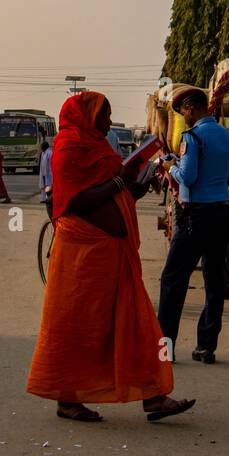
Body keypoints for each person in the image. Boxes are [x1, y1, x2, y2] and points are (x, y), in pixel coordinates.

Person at [27, 91, 194, 423]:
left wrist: (135, 184)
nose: (107, 122)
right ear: (86, 117)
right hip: (83, 252)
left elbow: (111, 188)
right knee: (79, 326)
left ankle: (154, 395)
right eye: (103, 116)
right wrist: (119, 181)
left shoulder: (100, 146)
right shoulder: (67, 148)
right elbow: (74, 200)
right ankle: (67, 398)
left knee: (138, 323)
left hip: (113, 251)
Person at [158, 87, 229, 365]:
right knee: (214, 279)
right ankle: (207, 346)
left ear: (191, 109)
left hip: (194, 216)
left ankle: (164, 348)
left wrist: (171, 167)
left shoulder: (191, 138)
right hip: (221, 213)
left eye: (183, 113)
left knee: (173, 280)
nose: (183, 118)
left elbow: (189, 178)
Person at [39, 137, 53, 218]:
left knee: (48, 185)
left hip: (48, 172)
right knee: (43, 186)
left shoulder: (50, 153)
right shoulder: (43, 153)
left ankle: (48, 199)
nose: (40, 148)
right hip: (43, 172)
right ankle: (43, 199)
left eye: (41, 146)